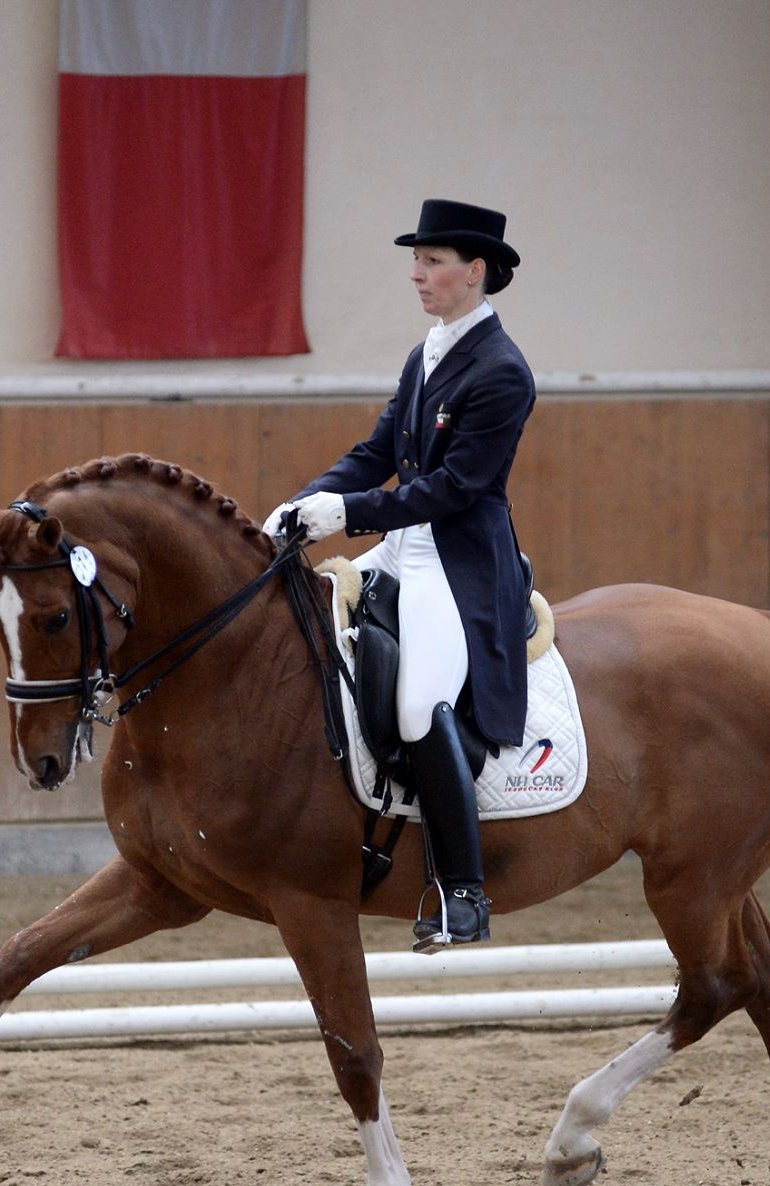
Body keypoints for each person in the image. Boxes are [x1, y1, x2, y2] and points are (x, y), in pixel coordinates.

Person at [264, 198, 536, 950]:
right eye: (415, 260)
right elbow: (378, 450)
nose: (417, 274)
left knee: (420, 707)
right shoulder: (428, 353)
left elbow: (454, 489)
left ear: (475, 272)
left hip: (456, 562)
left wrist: (347, 514)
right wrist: (302, 507)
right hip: (403, 545)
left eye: (432, 261)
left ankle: (463, 893)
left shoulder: (503, 372)